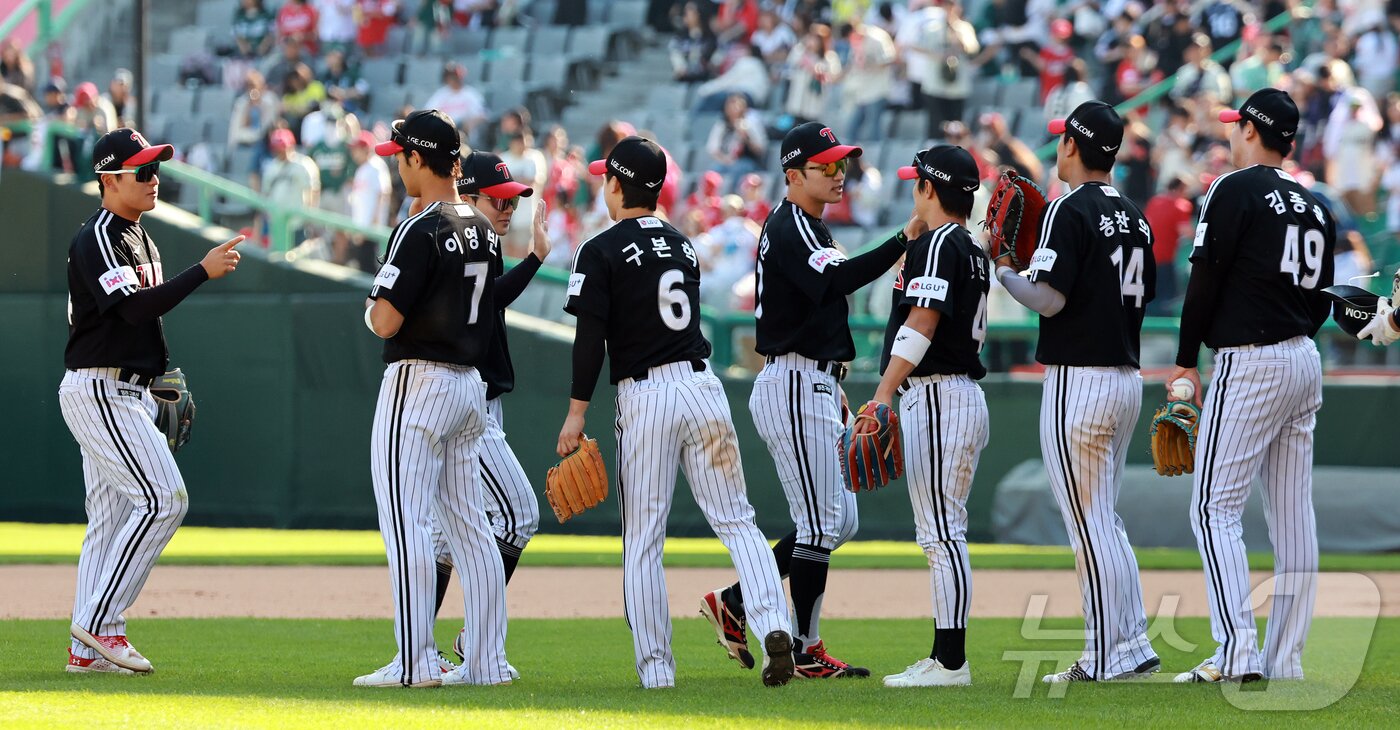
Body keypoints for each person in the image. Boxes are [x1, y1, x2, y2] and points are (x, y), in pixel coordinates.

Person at [557, 137, 796, 689]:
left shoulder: (599, 248)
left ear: (615, 184)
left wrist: (576, 413)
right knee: (738, 521)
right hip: (702, 386)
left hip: (646, 397)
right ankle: (773, 626)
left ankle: (657, 671)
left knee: (643, 541)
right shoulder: (682, 244)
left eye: (606, 178)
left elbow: (590, 338)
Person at [704, 122, 922, 680]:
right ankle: (804, 647)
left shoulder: (812, 227)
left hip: (815, 381)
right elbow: (839, 282)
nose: (838, 174)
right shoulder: (791, 225)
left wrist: (836, 386)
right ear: (794, 174)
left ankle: (735, 600)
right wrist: (903, 238)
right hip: (794, 383)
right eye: (825, 166)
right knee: (822, 523)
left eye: (841, 164)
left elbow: (820, 305)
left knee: (838, 521)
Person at [1168, 88, 1336, 684]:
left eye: (1236, 124)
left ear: (1249, 130)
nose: (1231, 132)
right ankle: (1284, 661)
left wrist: (1185, 361)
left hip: (1252, 363)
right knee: (1293, 518)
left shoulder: (1232, 188)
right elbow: (1322, 301)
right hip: (1303, 358)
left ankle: (1237, 654)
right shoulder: (1317, 205)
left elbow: (1204, 280)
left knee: (1213, 508)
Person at [61, 128, 244, 674]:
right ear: (109, 179)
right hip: (100, 389)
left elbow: (144, 320)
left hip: (126, 388)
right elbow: (134, 309)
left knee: (109, 519)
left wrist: (158, 373)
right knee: (165, 500)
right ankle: (100, 623)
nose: (153, 179)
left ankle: (84, 653)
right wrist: (202, 271)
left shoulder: (140, 236)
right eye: (141, 171)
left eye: (156, 169)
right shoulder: (97, 236)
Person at [995, 101, 1161, 683]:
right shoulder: (1135, 215)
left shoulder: (1069, 207)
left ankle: (1103, 655)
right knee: (1104, 520)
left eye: (1062, 139)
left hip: (1080, 381)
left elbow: (1048, 299)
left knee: (1089, 528)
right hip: (1125, 379)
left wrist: (1004, 271)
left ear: (1071, 145)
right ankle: (1132, 644)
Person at [356, 109, 511, 688]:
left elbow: (385, 320)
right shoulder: (482, 226)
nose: (398, 167)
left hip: (418, 383)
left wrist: (371, 308)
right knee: (472, 529)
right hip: (469, 387)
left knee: (408, 525)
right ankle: (488, 662)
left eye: (401, 157)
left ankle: (415, 662)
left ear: (418, 158)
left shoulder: (419, 227)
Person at [872, 145, 990, 688]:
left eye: (917, 182)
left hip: (940, 394)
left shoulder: (942, 242)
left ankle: (950, 662)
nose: (913, 189)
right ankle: (944, 658)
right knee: (942, 532)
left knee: (942, 533)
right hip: (953, 395)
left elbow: (922, 322)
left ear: (928, 188)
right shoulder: (966, 246)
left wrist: (883, 393)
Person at [429, 152, 549, 675]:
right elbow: (492, 298)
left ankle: (420, 646)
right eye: (497, 200)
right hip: (466, 403)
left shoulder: (483, 242)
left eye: (512, 200)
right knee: (518, 516)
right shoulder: (457, 240)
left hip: (479, 400)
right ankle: (474, 637)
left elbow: (492, 300)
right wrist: (536, 260)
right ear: (470, 196)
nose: (507, 208)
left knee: (443, 538)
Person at [340, 130, 391, 271]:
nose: (353, 153)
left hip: (371, 230)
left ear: (365, 149)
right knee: (361, 267)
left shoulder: (376, 166)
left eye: (356, 149)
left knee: (371, 270)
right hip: (361, 227)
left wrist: (373, 224)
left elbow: (383, 194)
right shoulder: (362, 169)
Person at [1144, 176, 1194, 313]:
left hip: (1148, 255)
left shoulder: (1154, 201)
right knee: (1167, 301)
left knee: (1151, 298)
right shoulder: (1181, 205)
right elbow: (1185, 231)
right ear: (1181, 189)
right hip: (1165, 258)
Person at [706, 93, 768, 189]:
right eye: (731, 104)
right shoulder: (721, 125)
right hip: (725, 161)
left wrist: (746, 137)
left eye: (737, 105)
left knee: (739, 169)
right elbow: (713, 149)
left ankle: (733, 195)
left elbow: (760, 149)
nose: (733, 108)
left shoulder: (751, 123)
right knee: (712, 173)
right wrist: (725, 159)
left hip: (747, 161)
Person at [424, 63, 488, 142]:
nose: (452, 79)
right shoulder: (441, 94)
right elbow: (428, 113)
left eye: (454, 76)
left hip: (463, 133)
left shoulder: (471, 93)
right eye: (450, 76)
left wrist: (470, 123)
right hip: (443, 130)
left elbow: (483, 115)